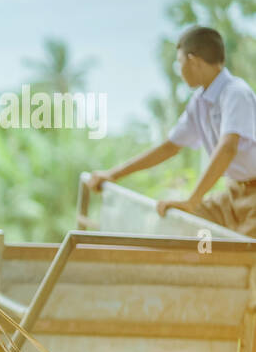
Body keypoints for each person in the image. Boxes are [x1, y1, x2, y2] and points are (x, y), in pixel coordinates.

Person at [90, 26, 256, 236]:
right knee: (179, 224)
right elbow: (170, 147)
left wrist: (192, 200)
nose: (180, 70)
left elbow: (227, 148)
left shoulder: (236, 93)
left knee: (240, 257)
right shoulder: (199, 102)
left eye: (179, 63)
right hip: (233, 194)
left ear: (192, 61)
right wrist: (112, 174)